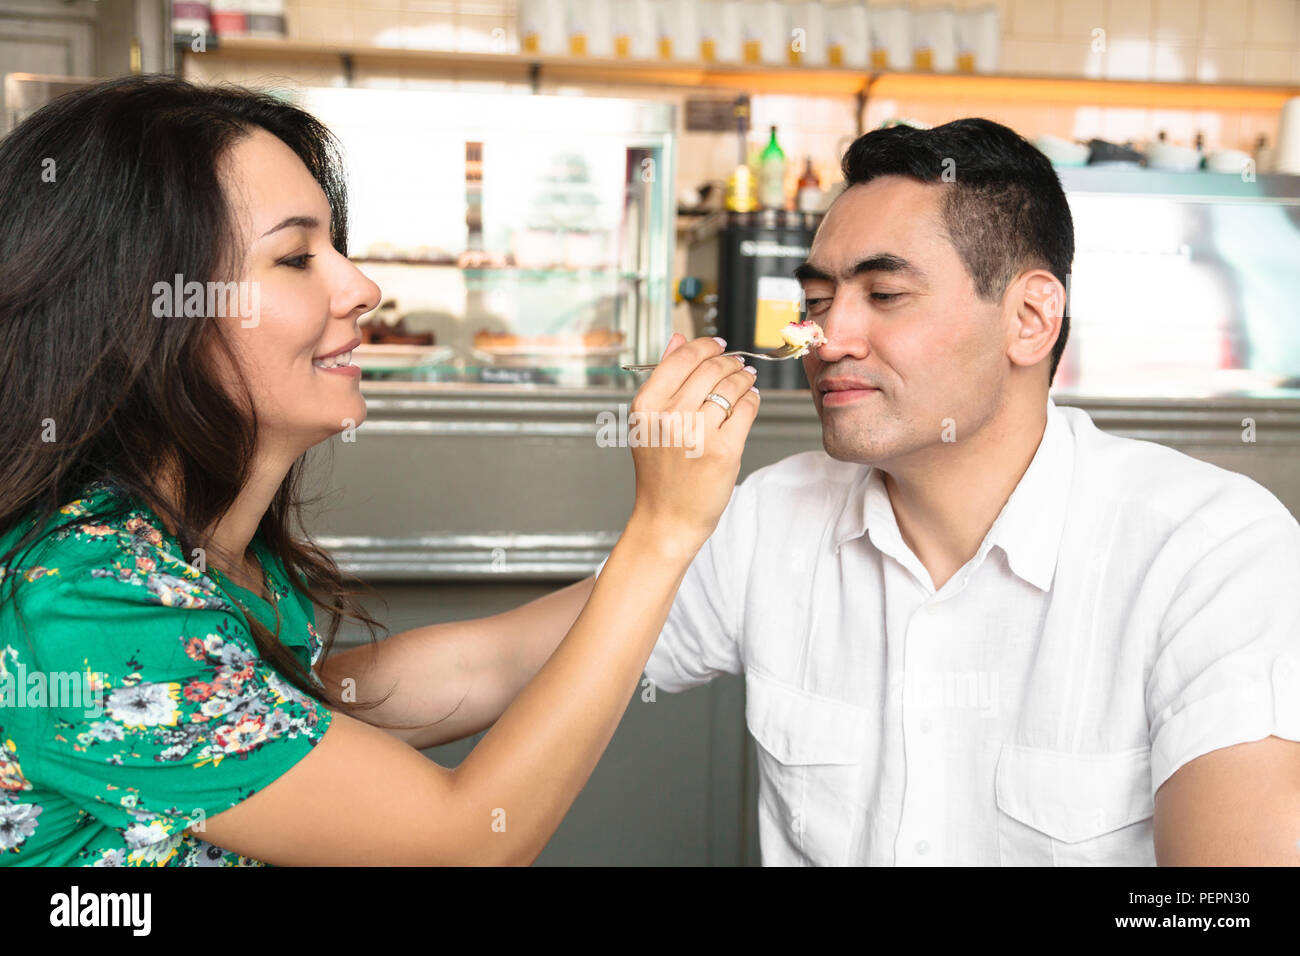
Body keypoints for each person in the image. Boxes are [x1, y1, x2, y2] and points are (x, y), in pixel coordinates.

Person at [0, 74, 759, 866]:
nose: (362, 288)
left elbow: (418, 684)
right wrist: (661, 531)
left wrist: (709, 554)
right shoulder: (85, 598)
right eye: (296, 257)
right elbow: (460, 842)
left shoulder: (203, 555)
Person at [538, 118, 1300, 865]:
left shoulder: (1210, 553)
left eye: (886, 294)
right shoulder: (772, 517)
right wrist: (662, 524)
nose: (825, 339)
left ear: (1031, 318)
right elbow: (492, 670)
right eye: (818, 299)